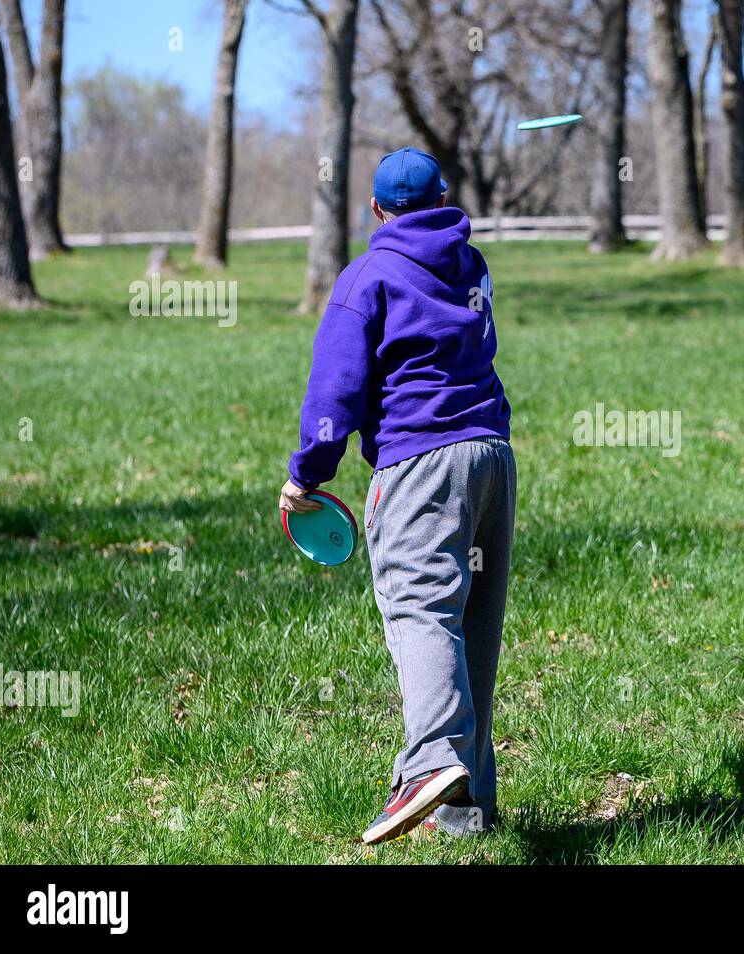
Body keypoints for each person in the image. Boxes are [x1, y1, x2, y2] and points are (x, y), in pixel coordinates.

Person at [278, 147, 515, 844]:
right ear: (444, 197)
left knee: (419, 607)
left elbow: (334, 394)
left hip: (420, 465)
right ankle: (466, 814)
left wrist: (307, 473)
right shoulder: (471, 265)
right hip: (492, 460)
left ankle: (430, 762)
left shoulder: (366, 279)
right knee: (472, 628)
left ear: (376, 211)